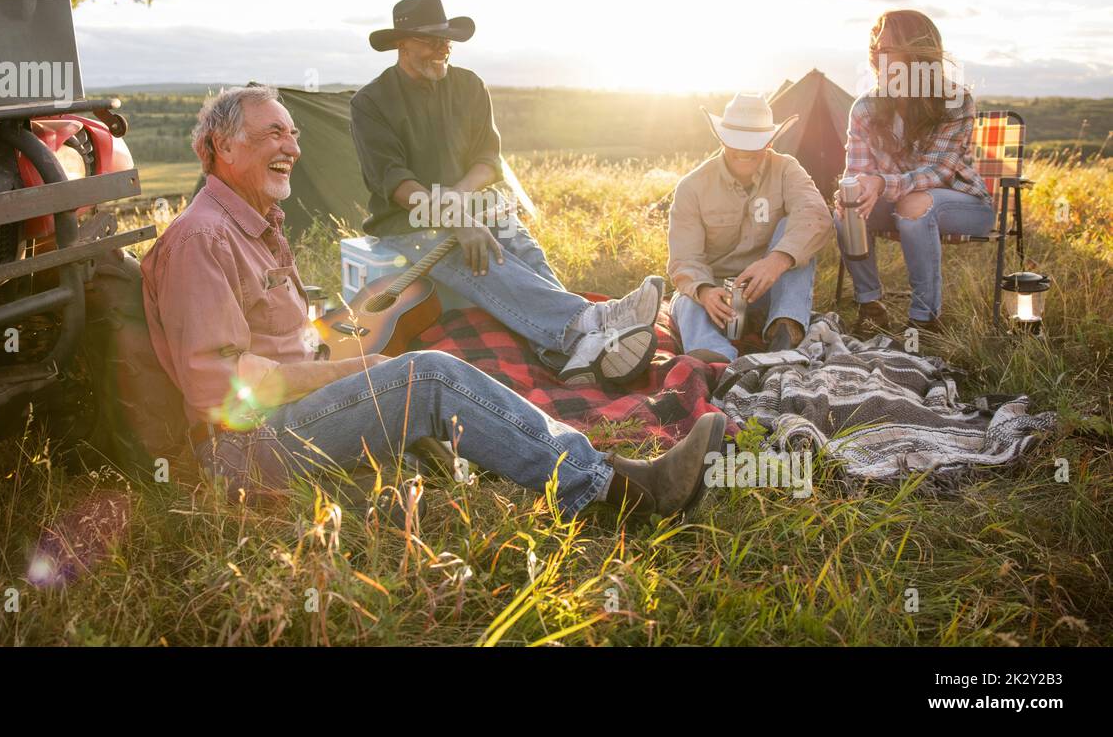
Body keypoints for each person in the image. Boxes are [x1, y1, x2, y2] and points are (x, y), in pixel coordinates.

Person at [141, 85, 727, 520]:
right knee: (429, 376)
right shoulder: (202, 240)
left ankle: (562, 370)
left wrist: (336, 354)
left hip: (287, 417)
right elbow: (215, 386)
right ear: (220, 146)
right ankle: (618, 491)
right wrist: (356, 371)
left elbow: (273, 339)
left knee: (420, 391)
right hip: (245, 448)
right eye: (273, 133)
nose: (292, 145)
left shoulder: (252, 224)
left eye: (293, 133)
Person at [349, 0, 663, 388]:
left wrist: (459, 200)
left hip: (473, 206)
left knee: (525, 252)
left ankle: (568, 353)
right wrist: (455, 219)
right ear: (403, 44)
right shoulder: (371, 102)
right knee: (484, 258)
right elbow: (395, 182)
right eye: (431, 41)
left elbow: (487, 159)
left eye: (447, 41)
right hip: (408, 223)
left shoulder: (468, 85)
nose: (443, 48)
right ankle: (592, 320)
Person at [836, 9, 994, 335]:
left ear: (917, 51)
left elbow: (937, 172)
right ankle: (871, 306)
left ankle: (925, 320)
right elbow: (858, 171)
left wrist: (881, 182)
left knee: (914, 204)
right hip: (898, 201)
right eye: (875, 49)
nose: (879, 56)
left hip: (963, 205)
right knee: (847, 209)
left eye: (889, 48)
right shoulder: (865, 107)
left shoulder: (954, 101)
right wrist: (854, 190)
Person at [667, 92, 833, 363]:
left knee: (796, 231)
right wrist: (706, 292)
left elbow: (816, 216)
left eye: (753, 143)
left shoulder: (787, 169)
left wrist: (776, 261)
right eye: (736, 143)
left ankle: (784, 331)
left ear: (769, 141)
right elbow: (685, 259)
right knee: (686, 301)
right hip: (715, 297)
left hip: (770, 293)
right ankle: (717, 360)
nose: (744, 151)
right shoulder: (692, 187)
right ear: (722, 138)